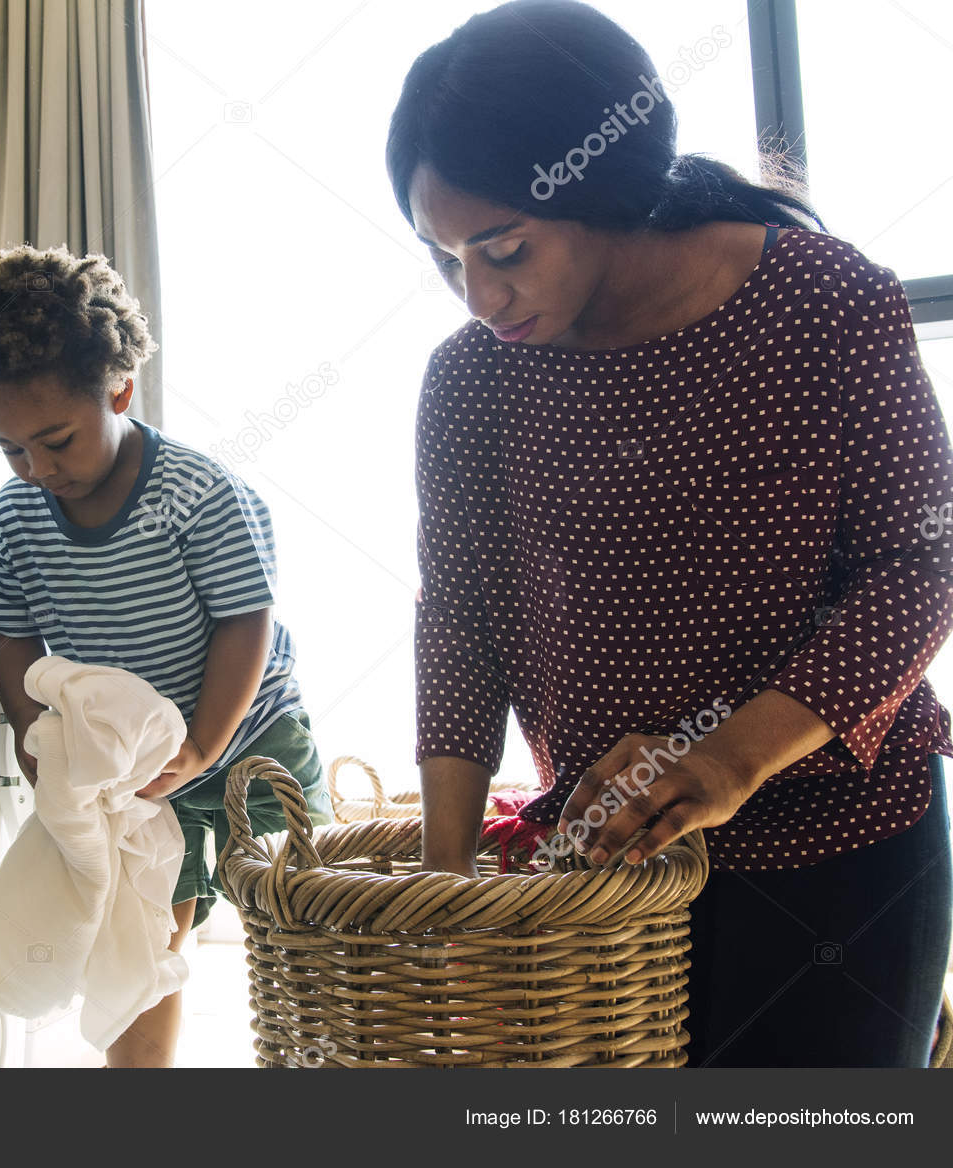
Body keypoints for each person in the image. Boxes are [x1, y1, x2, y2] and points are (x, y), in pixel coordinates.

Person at [388, 0, 953, 1066]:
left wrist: (727, 761)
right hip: (609, 884)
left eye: (502, 248)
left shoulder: (821, 303)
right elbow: (457, 622)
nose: (477, 294)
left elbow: (920, 562)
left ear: (602, 188)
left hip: (840, 853)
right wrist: (447, 886)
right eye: (443, 258)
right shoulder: (471, 379)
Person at [0, 244, 334, 1067]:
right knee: (143, 940)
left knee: (307, 910)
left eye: (57, 441)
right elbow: (8, 637)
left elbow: (243, 623)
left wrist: (204, 747)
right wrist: (37, 742)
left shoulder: (197, 494)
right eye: (10, 450)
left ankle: (328, 1059)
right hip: (132, 765)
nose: (37, 470)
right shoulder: (11, 522)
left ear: (119, 390)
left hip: (250, 733)